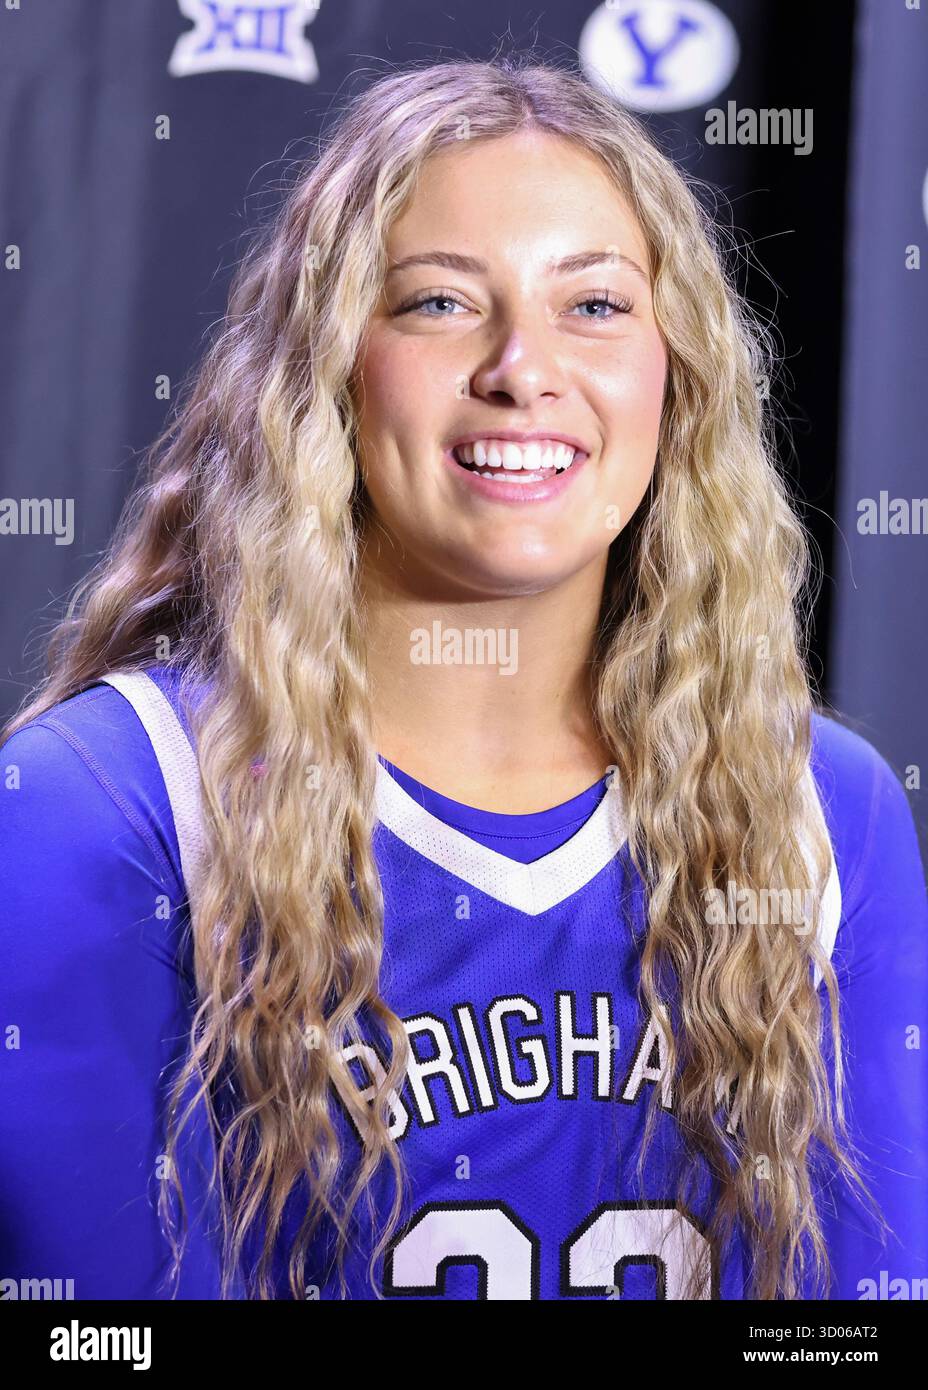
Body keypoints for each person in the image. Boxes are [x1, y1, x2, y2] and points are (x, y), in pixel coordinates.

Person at [1, 57, 926, 1302]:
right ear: (327, 366)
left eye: (594, 306)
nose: (522, 368)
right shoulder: (111, 807)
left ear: (678, 373)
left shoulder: (820, 809)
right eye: (438, 303)